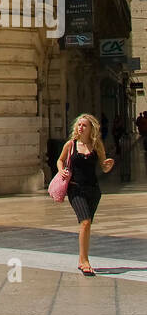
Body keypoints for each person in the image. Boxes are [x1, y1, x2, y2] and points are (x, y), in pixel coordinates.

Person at [57, 113, 114, 276]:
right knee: (85, 222)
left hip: (93, 190)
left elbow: (103, 166)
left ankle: (81, 260)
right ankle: (85, 261)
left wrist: (108, 165)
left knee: (87, 225)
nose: (80, 127)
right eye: (79, 125)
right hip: (75, 189)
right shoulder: (71, 145)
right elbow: (60, 160)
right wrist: (62, 171)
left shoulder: (97, 145)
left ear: (91, 129)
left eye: (84, 125)